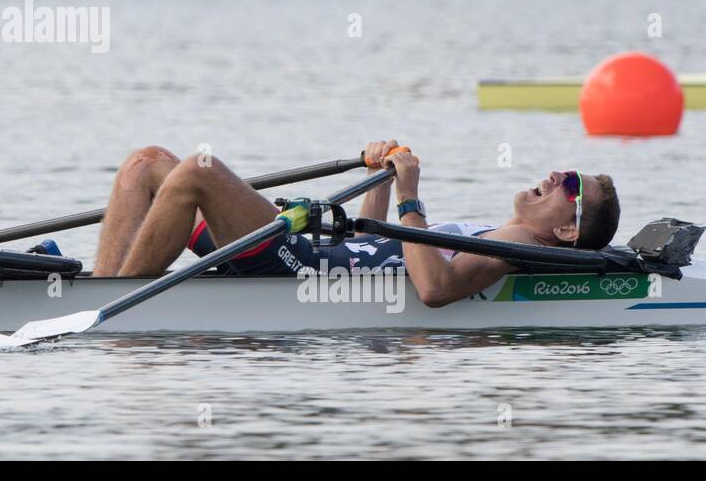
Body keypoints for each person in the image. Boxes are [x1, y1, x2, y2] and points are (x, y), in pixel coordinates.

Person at [91, 140, 620, 307]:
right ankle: (102, 292)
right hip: (312, 254)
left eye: (569, 184)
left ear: (569, 232)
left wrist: (410, 195)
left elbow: (434, 290)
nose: (555, 175)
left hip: (302, 267)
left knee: (198, 171)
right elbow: (375, 246)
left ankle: (107, 305)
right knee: (148, 165)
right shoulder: (494, 231)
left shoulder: (518, 243)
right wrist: (381, 182)